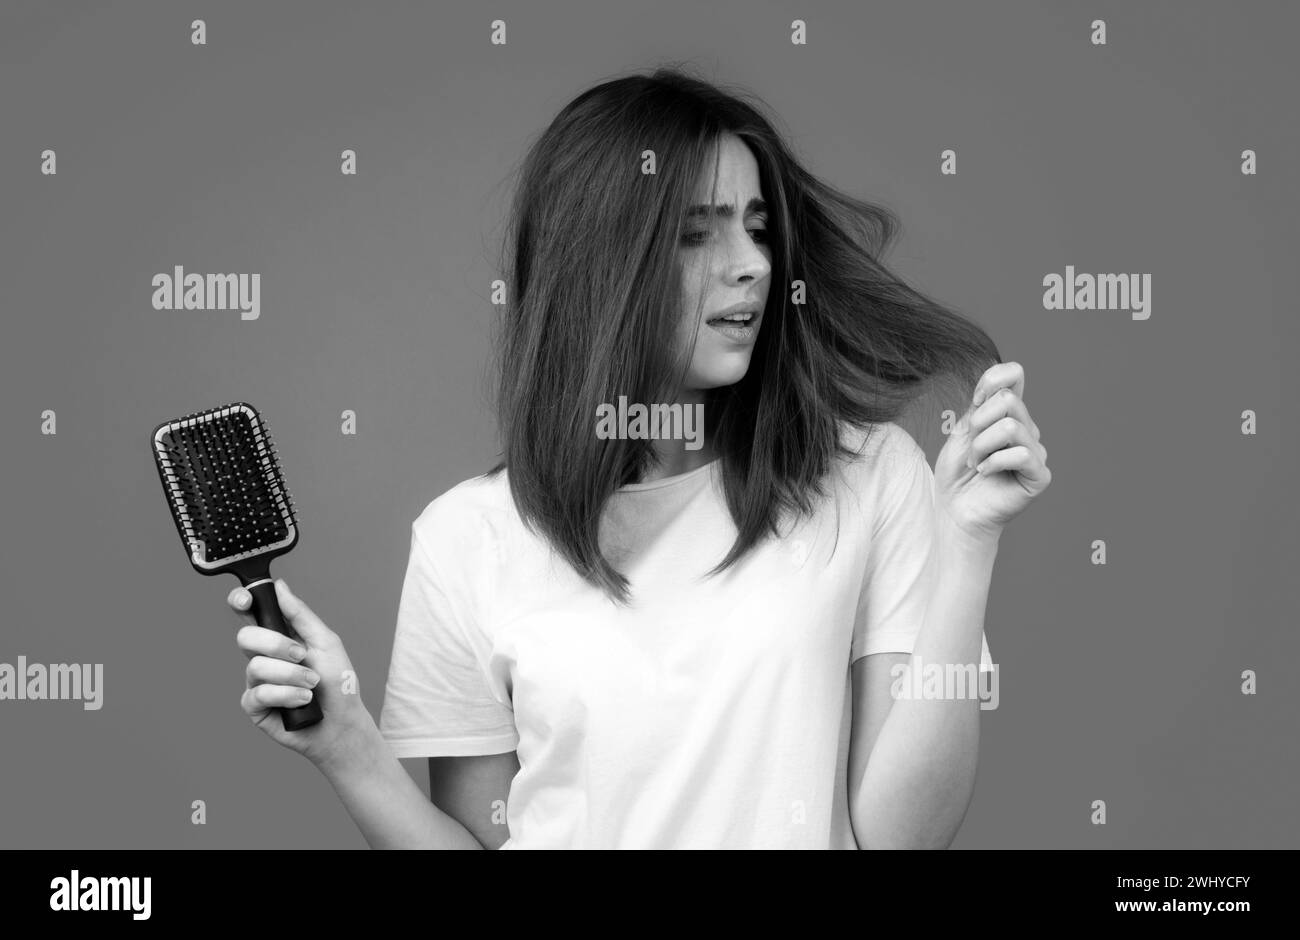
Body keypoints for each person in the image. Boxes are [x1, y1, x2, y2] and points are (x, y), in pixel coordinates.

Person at [227, 66, 1051, 849]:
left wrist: (968, 547)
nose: (752, 264)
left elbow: (903, 837)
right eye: (698, 234)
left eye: (758, 228)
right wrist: (347, 747)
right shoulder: (465, 537)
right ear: (600, 264)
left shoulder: (869, 477)